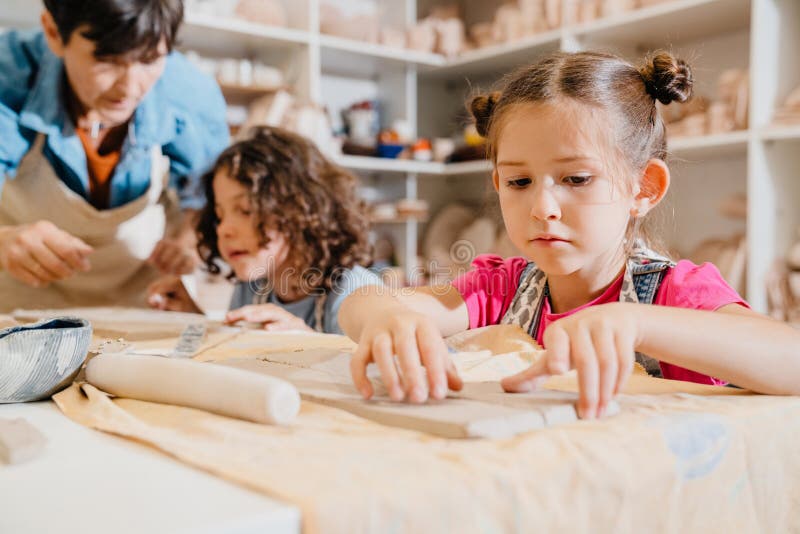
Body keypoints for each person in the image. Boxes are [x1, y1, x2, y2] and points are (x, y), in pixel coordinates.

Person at [339, 50, 800, 418]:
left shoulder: (674, 292)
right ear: (498, 183)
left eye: (577, 179)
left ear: (644, 188)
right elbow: (362, 300)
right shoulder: (501, 286)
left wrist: (634, 324)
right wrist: (384, 319)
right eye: (519, 182)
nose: (542, 208)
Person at [0, 0, 229, 311]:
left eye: (150, 59)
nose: (130, 88)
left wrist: (187, 241)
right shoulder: (8, 74)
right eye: (107, 60)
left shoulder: (189, 92)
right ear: (54, 33)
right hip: (23, 302)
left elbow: (209, 199)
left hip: (141, 299)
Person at [147, 126, 383, 334]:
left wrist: (308, 346)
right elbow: (241, 359)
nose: (224, 230)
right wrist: (191, 314)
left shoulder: (352, 291)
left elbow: (372, 372)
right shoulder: (253, 285)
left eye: (245, 210)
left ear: (297, 209)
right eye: (220, 216)